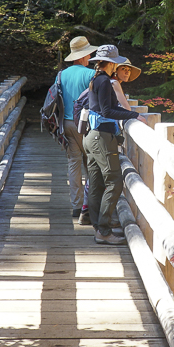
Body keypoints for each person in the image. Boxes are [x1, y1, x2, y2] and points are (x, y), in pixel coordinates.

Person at [83, 45, 145, 245]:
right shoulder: (104, 81)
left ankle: (100, 227)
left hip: (91, 135)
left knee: (97, 183)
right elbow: (107, 112)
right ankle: (103, 229)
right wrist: (134, 114)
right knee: (115, 182)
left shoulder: (96, 79)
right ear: (111, 64)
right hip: (102, 136)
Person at [56, 36, 97, 223]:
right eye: (89, 53)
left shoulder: (61, 75)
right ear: (83, 56)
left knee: (73, 163)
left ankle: (76, 205)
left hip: (66, 124)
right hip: (85, 125)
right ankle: (90, 205)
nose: (90, 56)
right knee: (91, 163)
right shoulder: (90, 74)